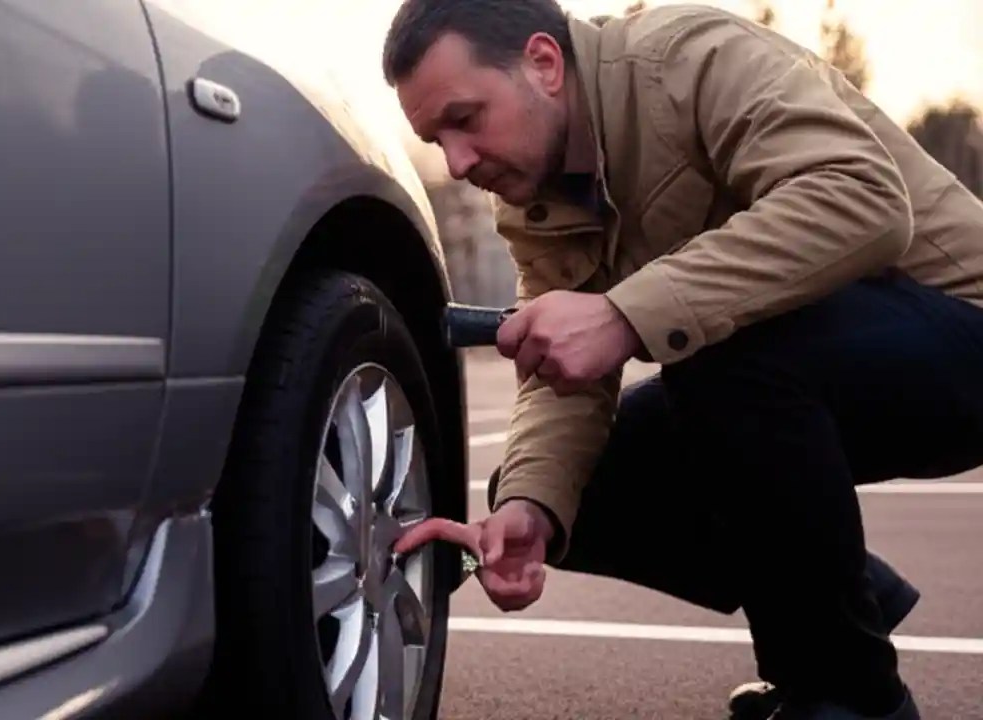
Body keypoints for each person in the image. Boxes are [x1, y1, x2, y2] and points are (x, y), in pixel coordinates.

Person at [382, 2, 983, 719]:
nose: (456, 162)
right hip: (800, 363)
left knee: (720, 356)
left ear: (543, 63)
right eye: (434, 139)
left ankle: (852, 696)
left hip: (958, 333)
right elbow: (563, 370)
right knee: (572, 487)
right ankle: (833, 605)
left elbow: (863, 197)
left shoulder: (689, 58)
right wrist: (527, 508)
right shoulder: (534, 199)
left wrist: (625, 314)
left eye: (465, 118)